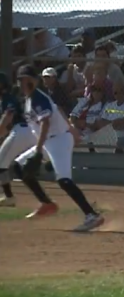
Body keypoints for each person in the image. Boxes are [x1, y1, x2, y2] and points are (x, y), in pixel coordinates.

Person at [10, 65, 104, 231]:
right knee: (18, 166)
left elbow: (46, 123)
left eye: (27, 79)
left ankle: (92, 215)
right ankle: (46, 203)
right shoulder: (29, 99)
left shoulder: (38, 98)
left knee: (64, 180)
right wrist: (71, 129)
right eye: (21, 80)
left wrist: (39, 150)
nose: (24, 82)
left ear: (35, 81)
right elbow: (57, 110)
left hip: (58, 140)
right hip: (50, 141)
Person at [0, 72, 35, 207]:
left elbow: (7, 118)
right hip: (23, 131)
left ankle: (10, 197)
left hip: (22, 130)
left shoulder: (8, 98)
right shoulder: (6, 98)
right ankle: (9, 197)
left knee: (2, 162)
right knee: (3, 164)